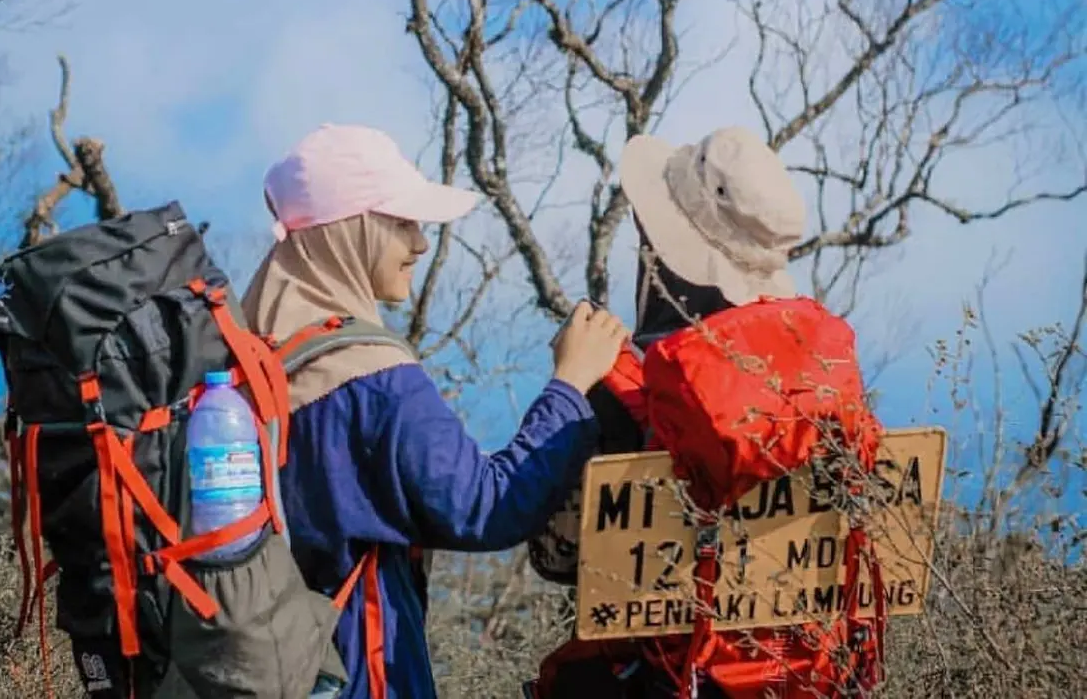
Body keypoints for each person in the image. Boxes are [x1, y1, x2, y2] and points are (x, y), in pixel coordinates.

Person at [240, 123, 631, 699]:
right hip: (356, 675)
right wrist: (571, 384)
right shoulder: (368, 374)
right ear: (355, 230)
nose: (420, 245)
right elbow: (486, 507)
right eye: (402, 223)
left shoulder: (249, 367)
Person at [524, 125, 807, 699]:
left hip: (656, 679)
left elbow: (553, 556)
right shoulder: (811, 382)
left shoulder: (618, 389)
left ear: (659, 247)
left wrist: (568, 384)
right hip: (785, 678)